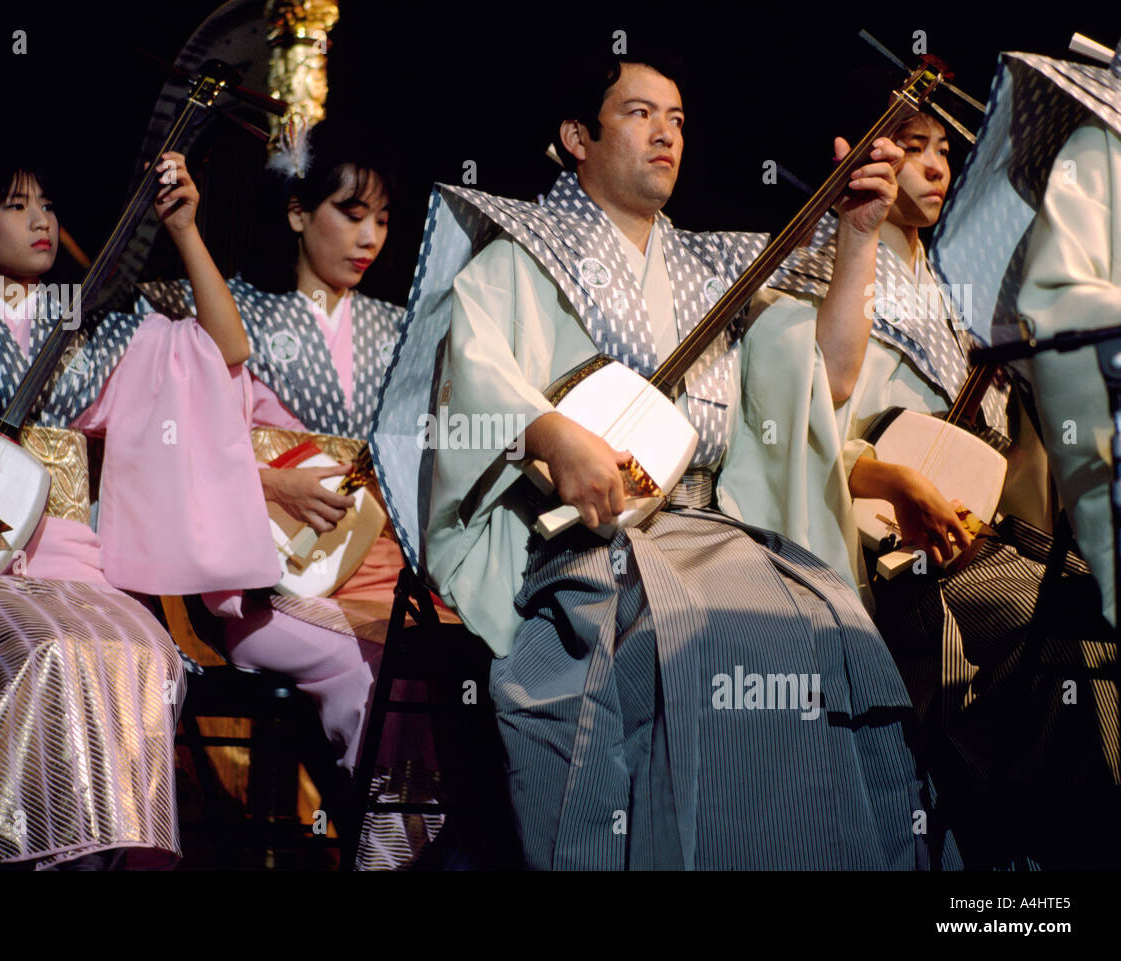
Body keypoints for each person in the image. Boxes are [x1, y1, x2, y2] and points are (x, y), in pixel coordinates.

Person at [374, 49, 949, 869]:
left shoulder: (716, 271)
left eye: (677, 119)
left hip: (719, 528)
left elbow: (822, 373)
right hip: (591, 542)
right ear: (577, 136)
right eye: (640, 113)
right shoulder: (521, 255)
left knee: (834, 626)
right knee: (702, 637)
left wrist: (857, 241)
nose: (666, 134)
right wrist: (551, 433)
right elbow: (476, 378)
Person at [0, 144, 280, 869]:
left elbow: (222, 349)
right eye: (15, 205)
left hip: (78, 566)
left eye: (47, 204)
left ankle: (109, 856)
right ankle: (57, 854)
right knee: (55, 652)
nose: (41, 220)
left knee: (148, 654)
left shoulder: (89, 337)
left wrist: (186, 230)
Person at [745, 107, 1119, 868]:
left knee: (1092, 607)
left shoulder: (958, 300)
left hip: (978, 536)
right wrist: (896, 480)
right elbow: (804, 433)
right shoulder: (807, 282)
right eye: (914, 149)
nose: (937, 167)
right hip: (896, 557)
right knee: (1046, 633)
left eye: (945, 150)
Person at [137, 119, 444, 868]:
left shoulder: (402, 328)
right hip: (272, 576)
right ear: (299, 212)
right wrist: (272, 479)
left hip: (381, 565)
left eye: (382, 219)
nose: (369, 235)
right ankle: (396, 848)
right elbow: (180, 445)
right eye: (350, 212)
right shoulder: (233, 313)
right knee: (375, 668)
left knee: (454, 655)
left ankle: (434, 842)